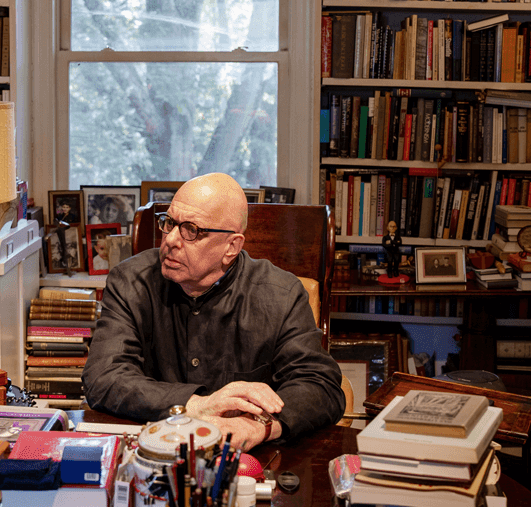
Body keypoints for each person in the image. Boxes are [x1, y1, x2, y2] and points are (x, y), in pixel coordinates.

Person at [82, 172, 344, 451]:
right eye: (169, 223)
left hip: (245, 463)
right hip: (156, 452)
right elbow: (103, 378)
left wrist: (261, 425)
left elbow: (321, 386)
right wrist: (196, 405)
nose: (170, 240)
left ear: (231, 247)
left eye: (191, 230)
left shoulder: (281, 295)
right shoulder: (131, 281)